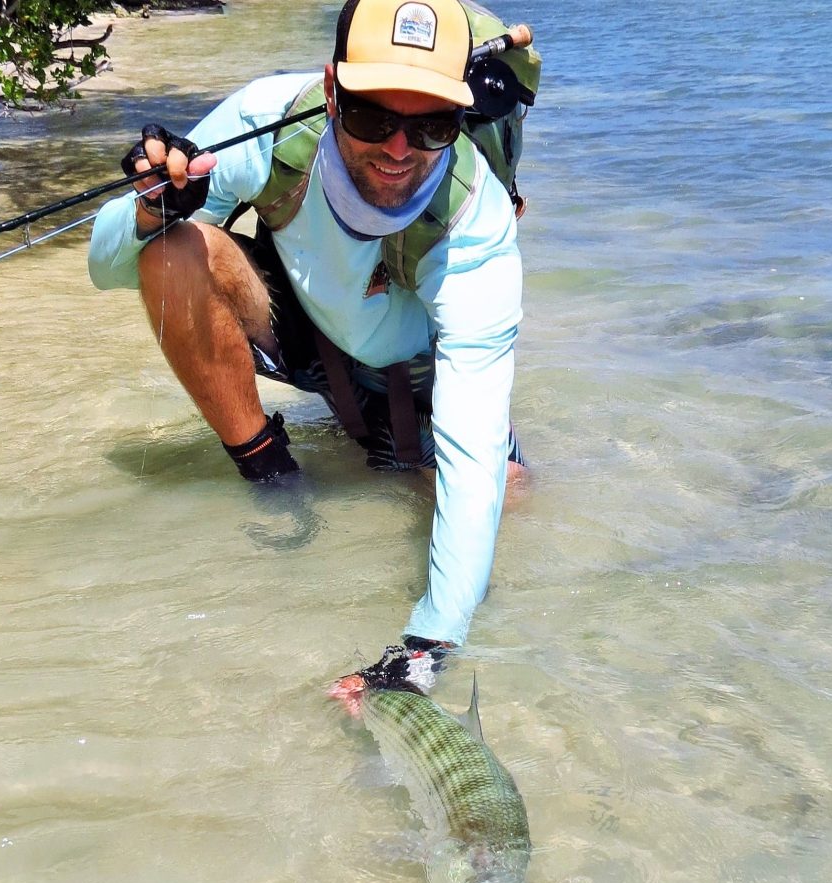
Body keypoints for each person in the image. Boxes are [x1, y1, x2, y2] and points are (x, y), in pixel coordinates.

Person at [87, 0, 527, 687]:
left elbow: (473, 463)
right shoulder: (264, 121)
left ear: (460, 117)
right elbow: (105, 267)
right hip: (313, 346)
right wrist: (149, 211)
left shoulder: (478, 222)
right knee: (172, 249)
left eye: (431, 124)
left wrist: (428, 646)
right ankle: (272, 478)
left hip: (428, 384)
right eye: (372, 116)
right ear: (331, 91)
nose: (398, 149)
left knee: (509, 504)